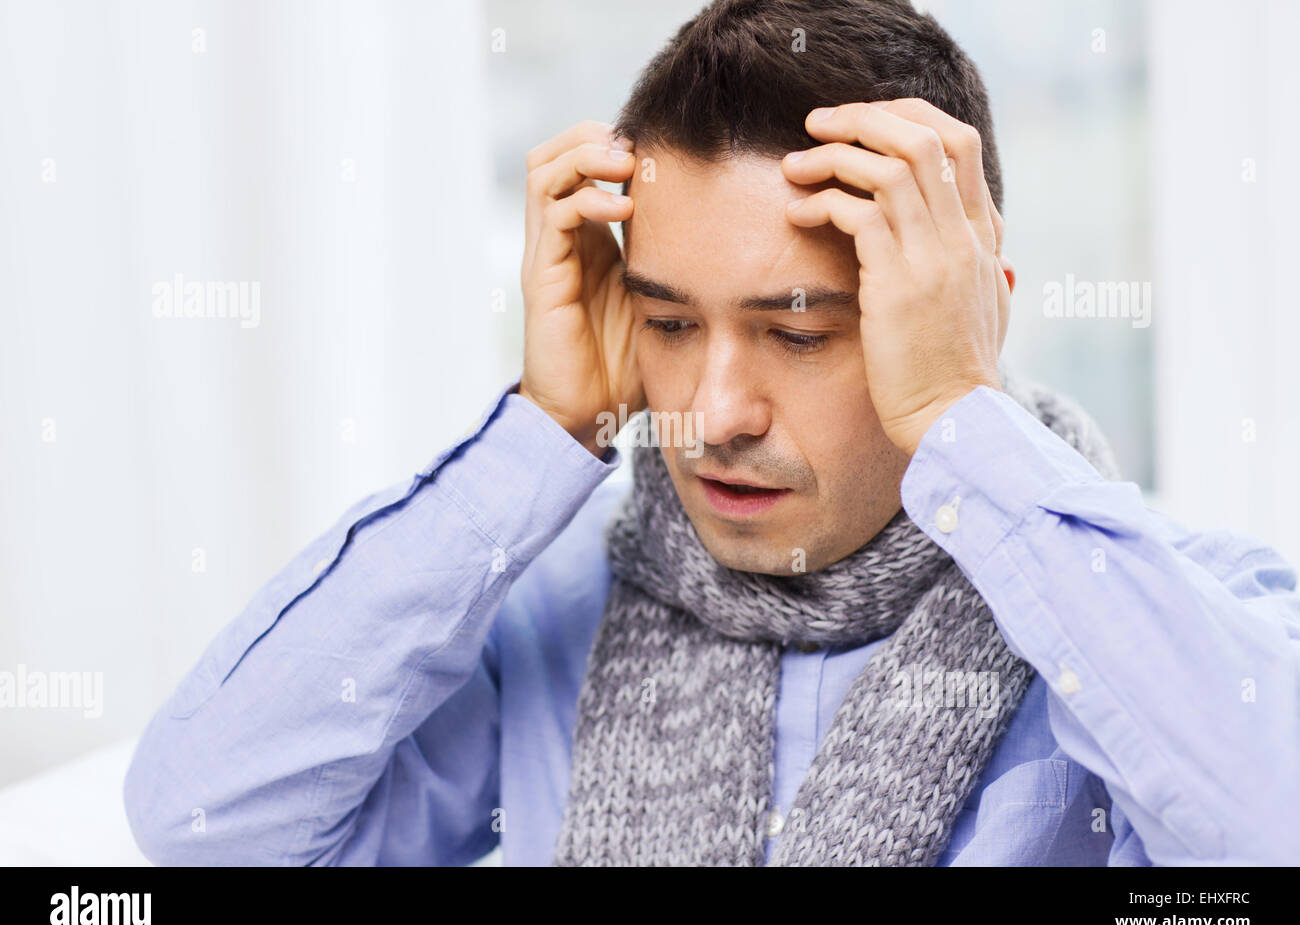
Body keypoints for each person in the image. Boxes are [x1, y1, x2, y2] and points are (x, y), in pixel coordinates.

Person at [124, 0, 1300, 865]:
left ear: (959, 312)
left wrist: (960, 422)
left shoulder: (1171, 622)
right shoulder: (549, 625)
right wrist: (542, 432)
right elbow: (200, 821)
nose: (714, 411)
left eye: (797, 334)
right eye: (670, 320)